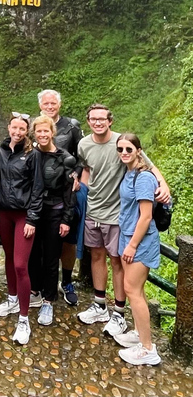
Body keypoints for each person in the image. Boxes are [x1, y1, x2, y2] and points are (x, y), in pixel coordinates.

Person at [77, 104, 170, 337]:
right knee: (96, 256)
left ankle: (119, 312)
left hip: (117, 215)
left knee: (117, 262)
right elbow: (87, 168)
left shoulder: (123, 142)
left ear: (110, 121)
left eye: (102, 119)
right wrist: (80, 186)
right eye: (93, 119)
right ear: (88, 121)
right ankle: (100, 305)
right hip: (93, 211)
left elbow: (148, 165)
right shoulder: (84, 144)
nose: (98, 123)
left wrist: (164, 185)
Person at [0, 113, 43, 345]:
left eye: (22, 129)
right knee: (8, 258)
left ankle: (24, 319)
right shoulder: (1, 150)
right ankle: (12, 298)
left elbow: (37, 188)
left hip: (23, 214)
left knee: (20, 265)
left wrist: (32, 219)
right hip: (4, 212)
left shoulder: (32, 155)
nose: (17, 132)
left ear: (27, 131)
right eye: (14, 128)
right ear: (9, 127)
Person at [115, 133, 161, 365]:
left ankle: (148, 349)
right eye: (120, 149)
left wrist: (132, 245)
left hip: (139, 241)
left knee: (133, 291)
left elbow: (146, 216)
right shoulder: (130, 172)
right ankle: (139, 334)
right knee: (136, 290)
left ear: (139, 151)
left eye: (129, 149)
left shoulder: (143, 178)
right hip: (128, 236)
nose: (124, 153)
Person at [28, 115, 75, 327]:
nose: (43, 134)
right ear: (34, 133)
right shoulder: (30, 154)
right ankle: (34, 291)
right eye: (39, 131)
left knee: (51, 257)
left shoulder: (64, 158)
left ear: (52, 132)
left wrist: (66, 219)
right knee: (32, 253)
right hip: (33, 212)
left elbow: (69, 192)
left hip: (55, 212)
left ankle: (48, 300)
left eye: (46, 131)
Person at [38, 89, 84, 306]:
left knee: (68, 239)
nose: (49, 106)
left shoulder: (71, 126)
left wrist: (77, 175)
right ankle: (41, 283)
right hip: (42, 195)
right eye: (46, 103)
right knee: (42, 241)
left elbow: (82, 157)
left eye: (53, 103)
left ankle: (66, 281)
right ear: (40, 105)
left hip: (67, 193)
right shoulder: (36, 126)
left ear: (60, 104)